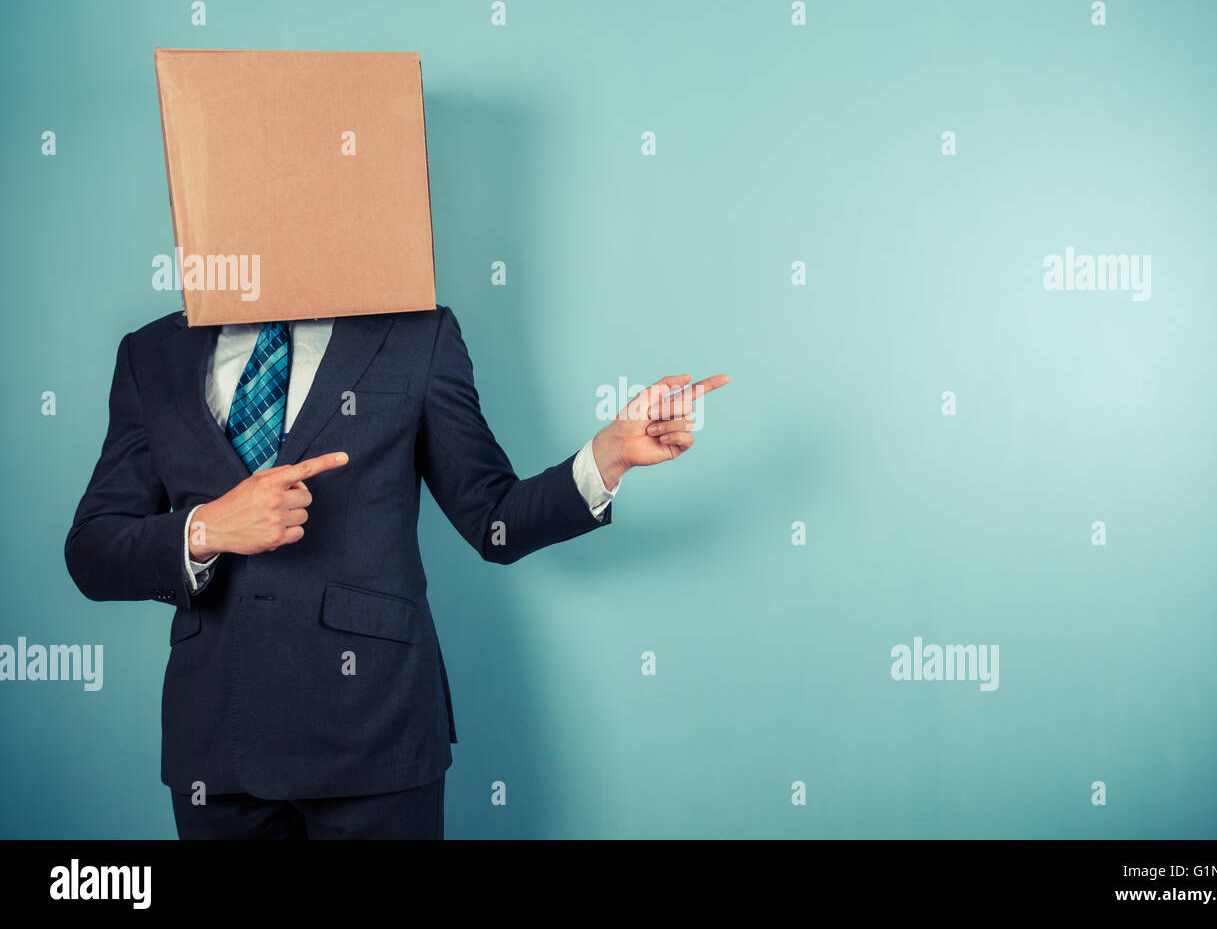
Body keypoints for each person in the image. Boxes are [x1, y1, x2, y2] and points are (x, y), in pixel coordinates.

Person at [64, 305, 728, 838]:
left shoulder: (415, 334)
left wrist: (609, 456)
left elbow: (494, 518)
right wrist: (206, 529)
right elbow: (93, 551)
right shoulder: (153, 353)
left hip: (375, 736)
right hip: (217, 746)